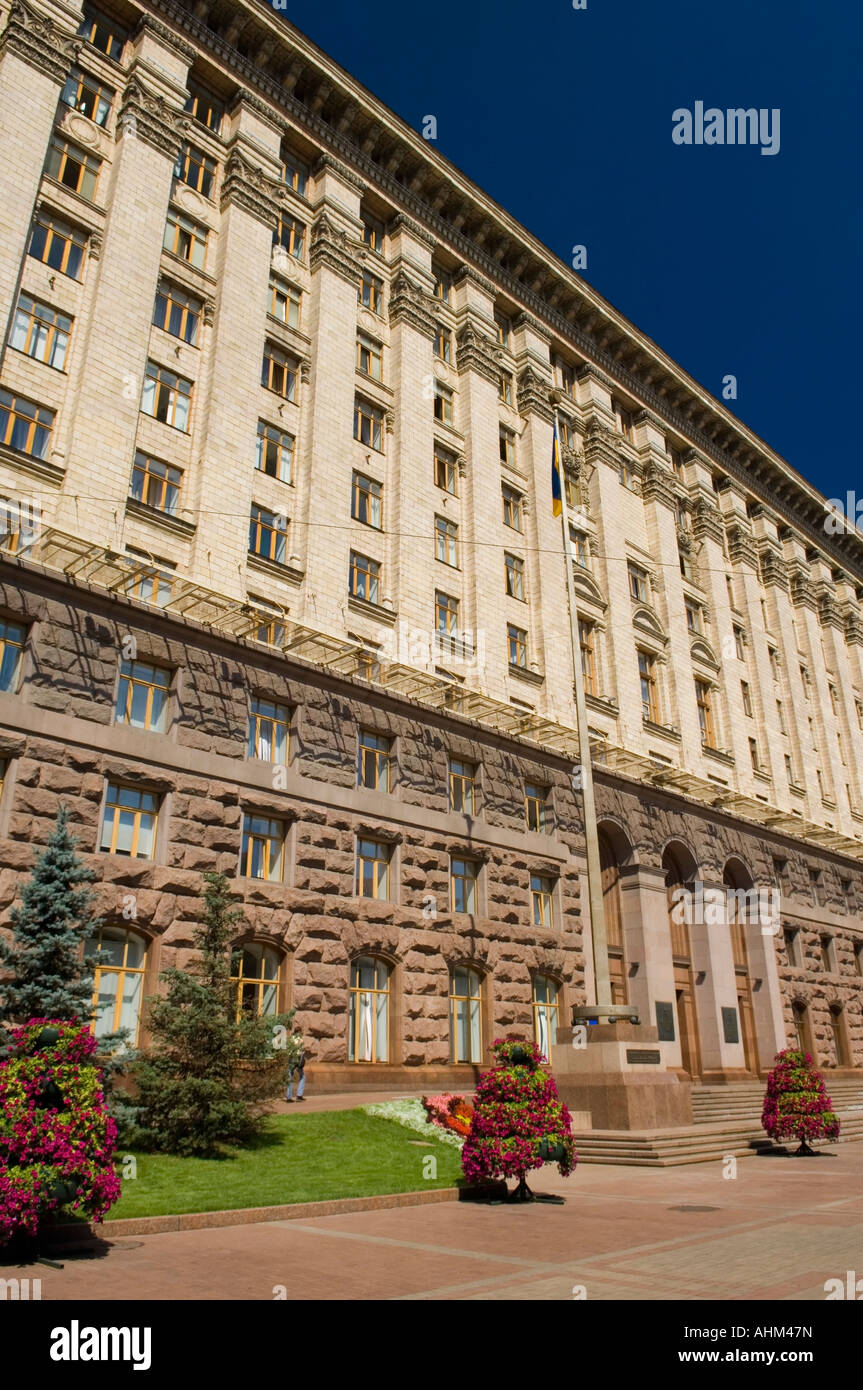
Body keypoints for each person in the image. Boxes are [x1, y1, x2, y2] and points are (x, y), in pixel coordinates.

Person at [285, 1032, 306, 1103]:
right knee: (302, 1076)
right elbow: (302, 1052)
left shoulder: (290, 1039)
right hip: (297, 1059)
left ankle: (288, 1097)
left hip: (291, 1059)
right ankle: (299, 1095)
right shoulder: (300, 1040)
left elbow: (287, 1050)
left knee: (289, 1077)